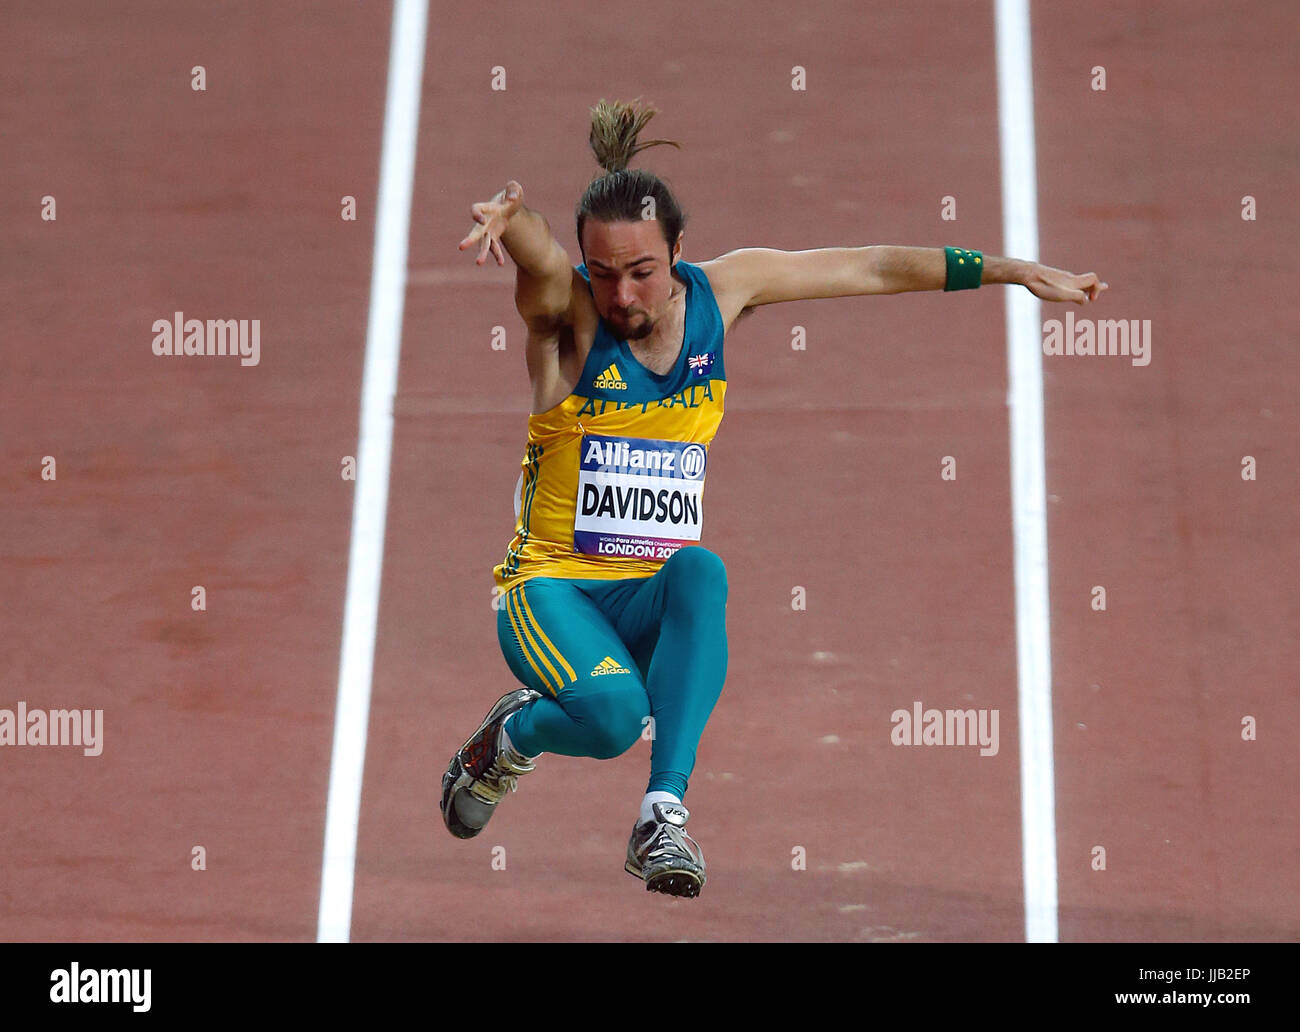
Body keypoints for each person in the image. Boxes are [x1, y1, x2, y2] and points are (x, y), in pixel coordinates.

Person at [440, 98, 1106, 899]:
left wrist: (1009, 270)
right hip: (547, 590)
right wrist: (513, 224)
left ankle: (663, 814)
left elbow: (868, 266)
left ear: (678, 252)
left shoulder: (727, 292)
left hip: (644, 595)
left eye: (643, 270)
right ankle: (509, 738)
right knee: (614, 719)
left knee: (702, 572)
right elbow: (543, 265)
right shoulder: (570, 323)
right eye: (605, 271)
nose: (621, 294)